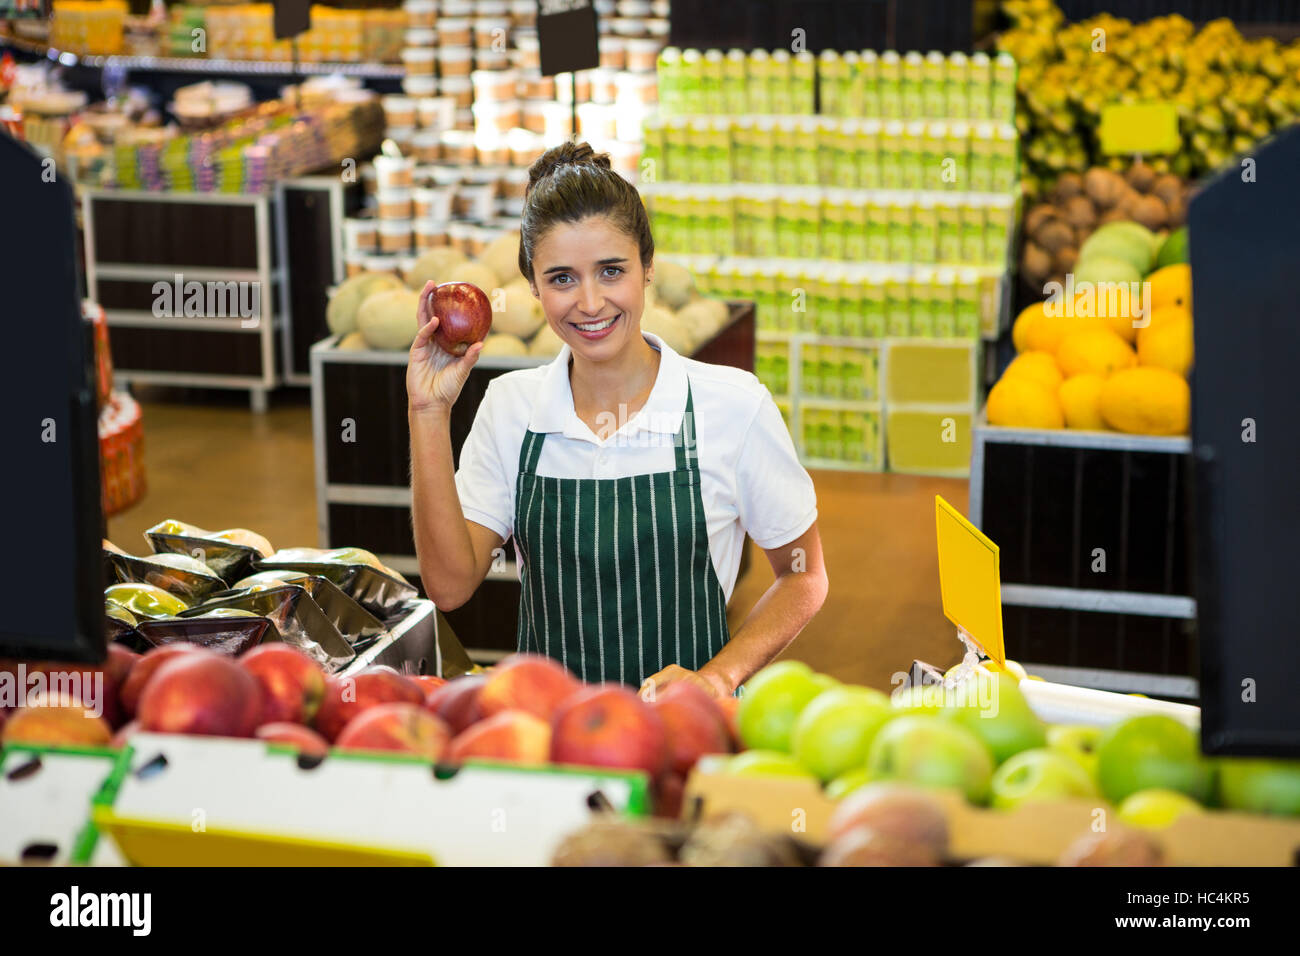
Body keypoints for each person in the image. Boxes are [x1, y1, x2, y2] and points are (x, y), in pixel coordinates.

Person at [407, 140, 827, 698]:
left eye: (611, 271)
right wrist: (428, 411)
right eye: (561, 279)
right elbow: (449, 585)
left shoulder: (731, 406)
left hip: (685, 731)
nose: (589, 302)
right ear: (532, 286)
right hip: (549, 735)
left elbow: (803, 574)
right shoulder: (512, 408)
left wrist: (717, 678)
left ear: (647, 268)